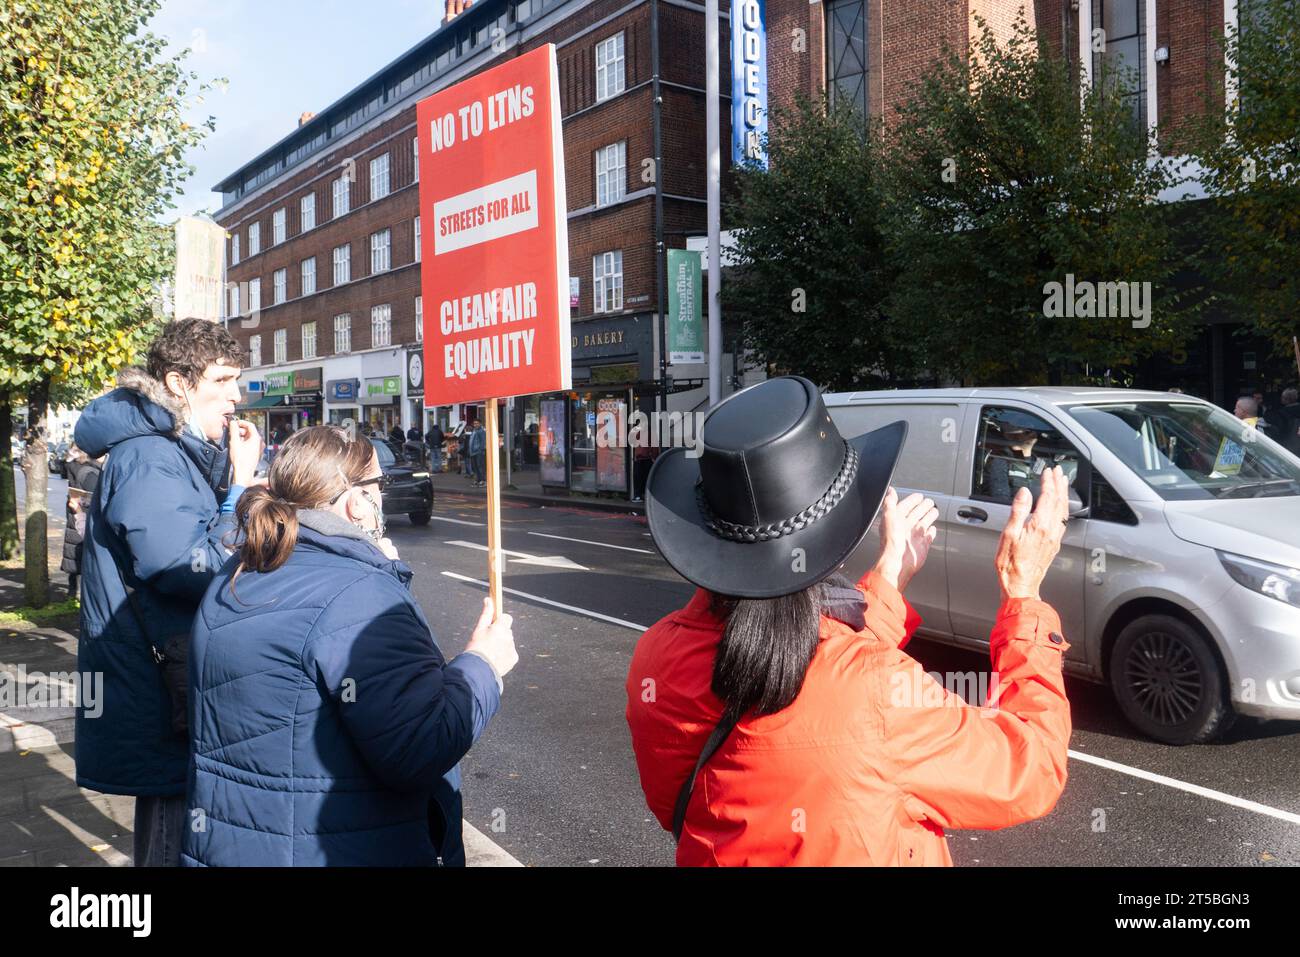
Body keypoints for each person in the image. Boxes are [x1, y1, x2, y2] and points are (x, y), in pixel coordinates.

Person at [625, 376, 1072, 866]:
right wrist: (1024, 595)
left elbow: (806, 672)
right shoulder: (876, 689)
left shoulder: (656, 658)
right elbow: (1028, 769)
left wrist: (889, 580)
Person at [183, 426, 517, 866]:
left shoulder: (237, 572)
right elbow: (418, 747)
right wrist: (482, 665)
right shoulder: (359, 595)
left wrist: (380, 571)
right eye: (379, 484)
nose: (383, 495)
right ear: (355, 501)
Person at [74, 318, 261, 867]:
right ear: (179, 384)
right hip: (157, 684)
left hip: (162, 674)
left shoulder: (165, 448)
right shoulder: (149, 455)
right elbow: (186, 563)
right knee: (171, 831)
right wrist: (243, 489)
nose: (236, 396)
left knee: (174, 820)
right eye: (224, 380)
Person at [60, 444, 104, 599]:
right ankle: (78, 593)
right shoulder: (91, 473)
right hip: (82, 514)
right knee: (82, 553)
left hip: (75, 511)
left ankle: (73, 591)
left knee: (76, 553)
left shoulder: (76, 467)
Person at [1277, 387, 1300, 456]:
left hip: (1288, 446)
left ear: (1287, 399)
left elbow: (1281, 431)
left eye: (1282, 397)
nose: (1281, 399)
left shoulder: (1283, 413)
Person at [468, 419, 487, 487]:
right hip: (473, 452)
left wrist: (481, 450)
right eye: (474, 423)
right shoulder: (474, 431)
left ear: (480, 424)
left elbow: (483, 442)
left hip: (478, 452)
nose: (475, 425)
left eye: (477, 423)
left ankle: (483, 480)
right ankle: (478, 480)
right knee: (475, 467)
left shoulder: (481, 431)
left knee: (480, 466)